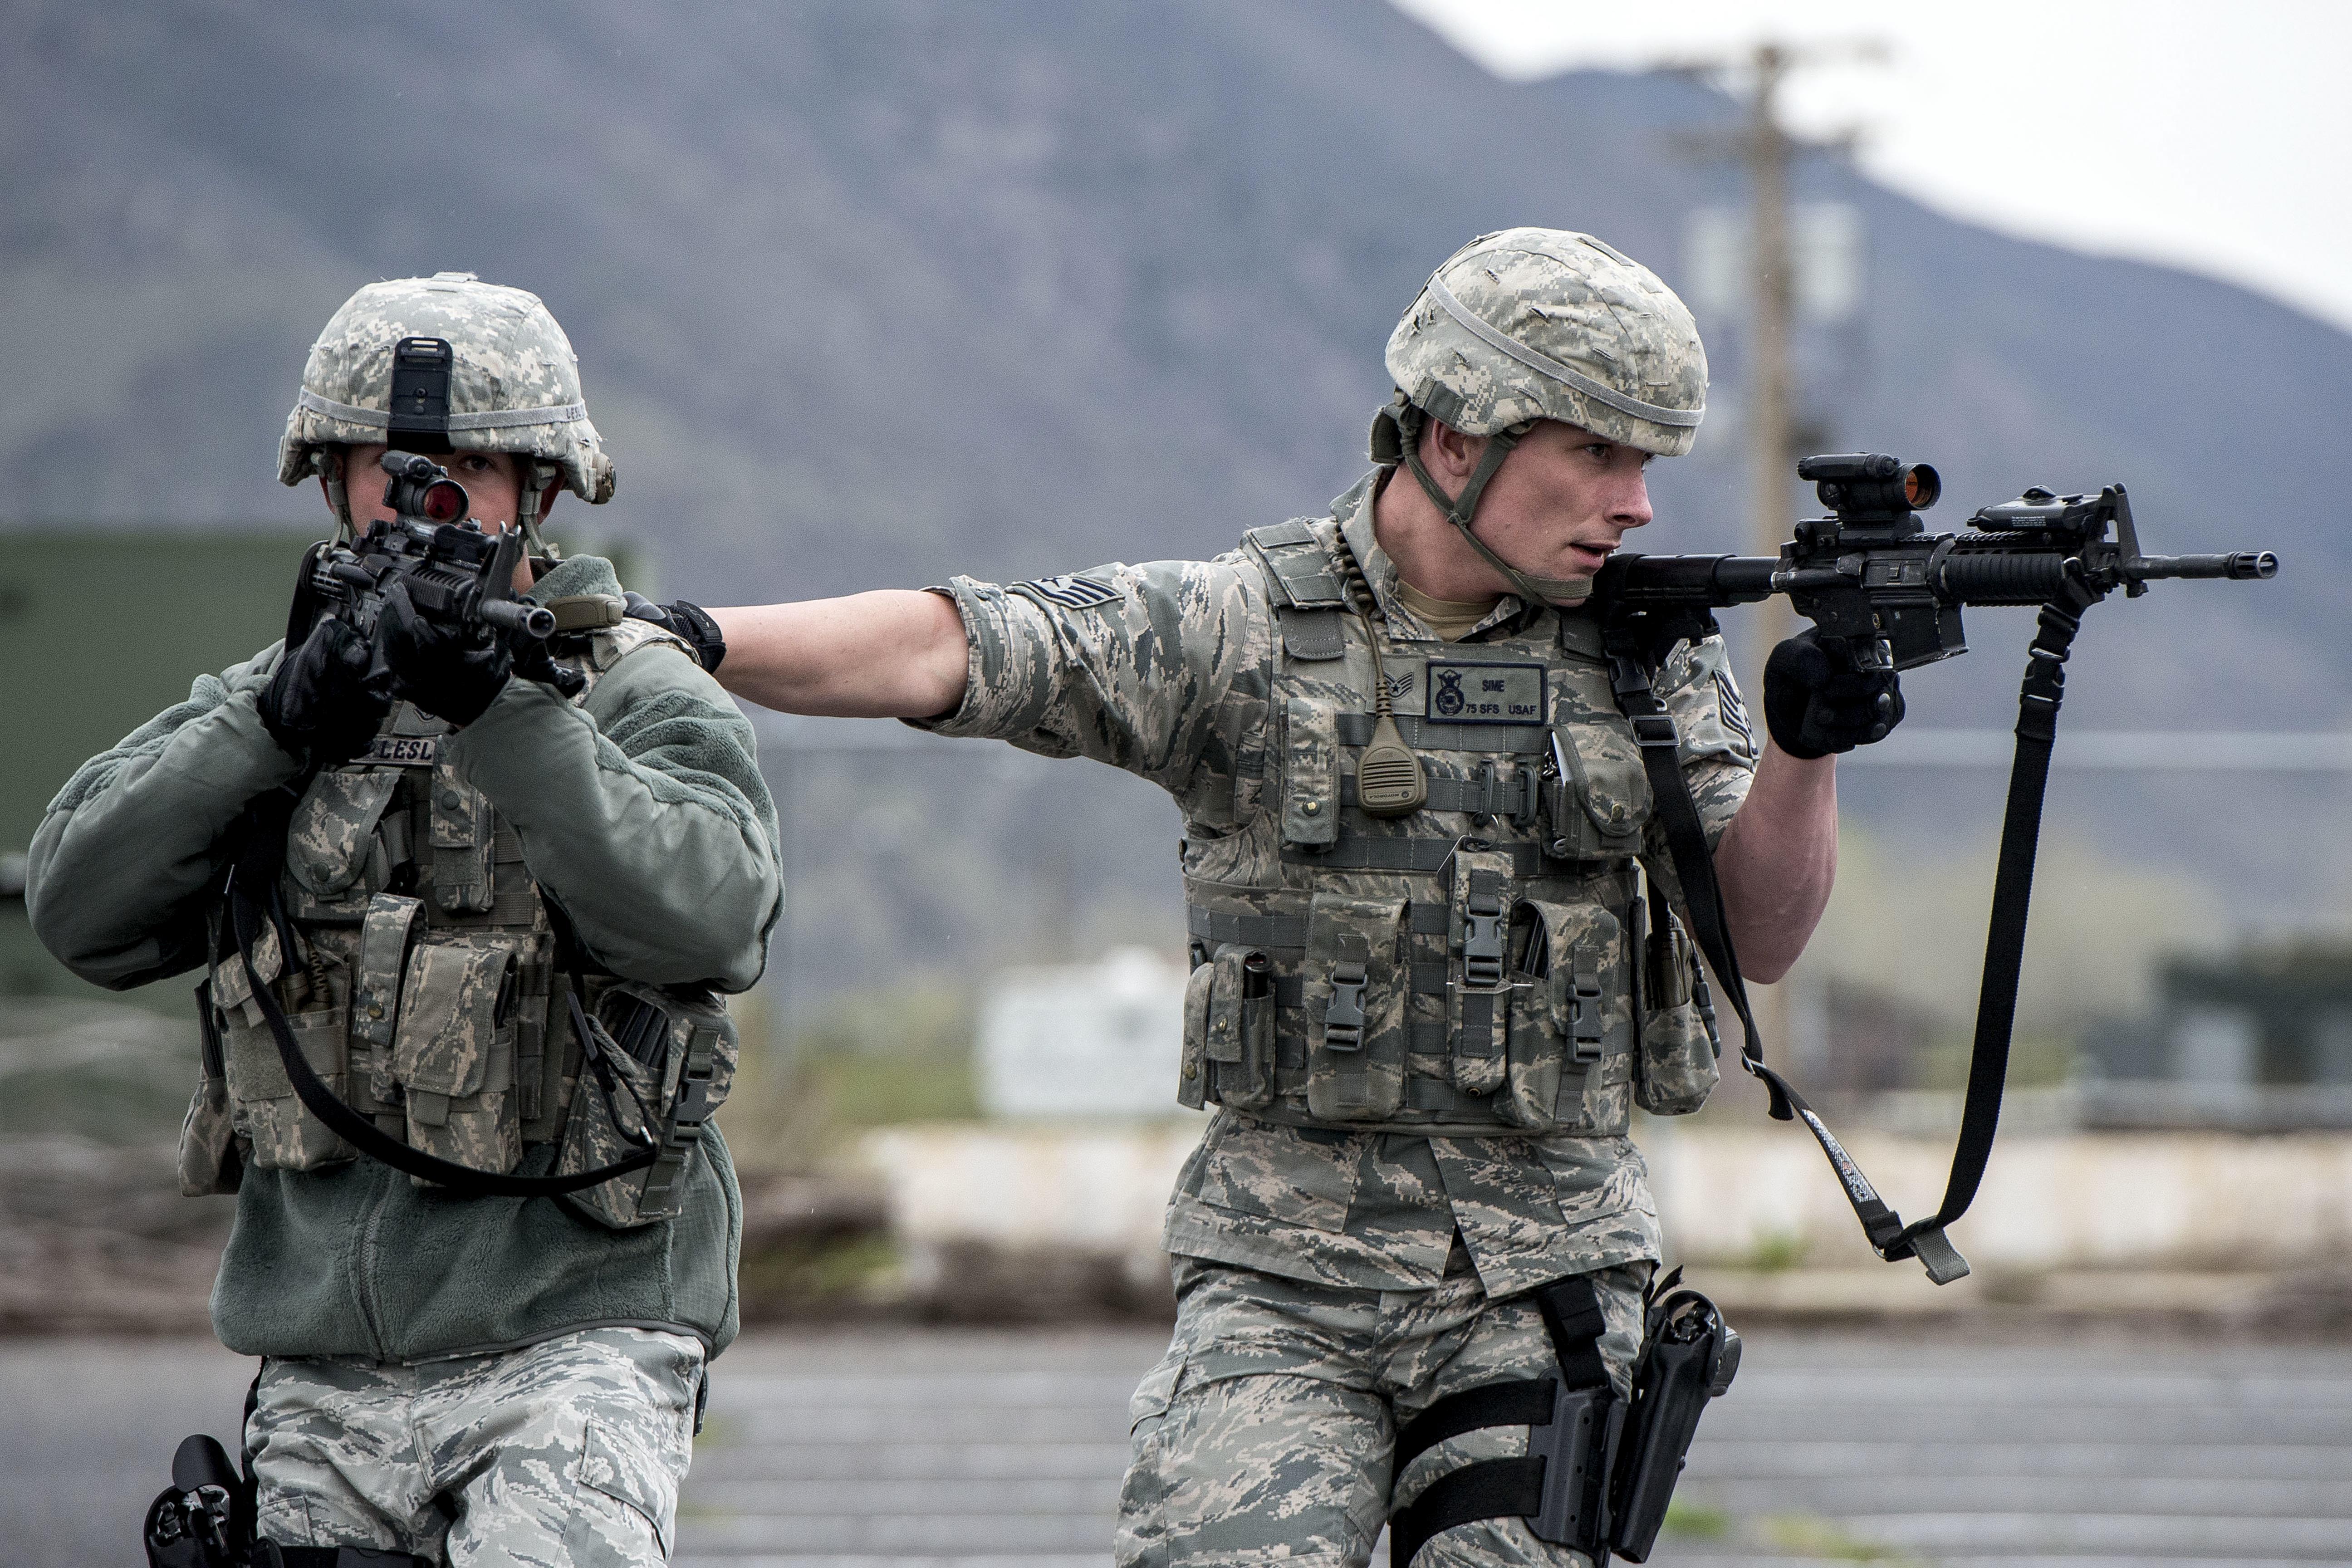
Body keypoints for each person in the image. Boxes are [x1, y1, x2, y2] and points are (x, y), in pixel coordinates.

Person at [699, 228, 1901, 1567]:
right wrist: (690, 641)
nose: (1638, 506)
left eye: (1649, 463)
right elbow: (961, 641)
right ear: (1457, 440)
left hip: (1544, 1284)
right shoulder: (1243, 634)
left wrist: (1807, 748)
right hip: (1285, 1291)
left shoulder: (1651, 661)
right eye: (1598, 454)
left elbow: (1766, 935)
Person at [28, 272, 780, 1567]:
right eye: (392, 469)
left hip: (575, 1343)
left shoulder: (633, 699)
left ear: (537, 489)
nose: (424, 505)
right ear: (334, 480)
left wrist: (508, 711)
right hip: (324, 1363)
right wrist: (276, 725)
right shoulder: (280, 704)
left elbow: (709, 918)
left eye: (467, 471)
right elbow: (81, 908)